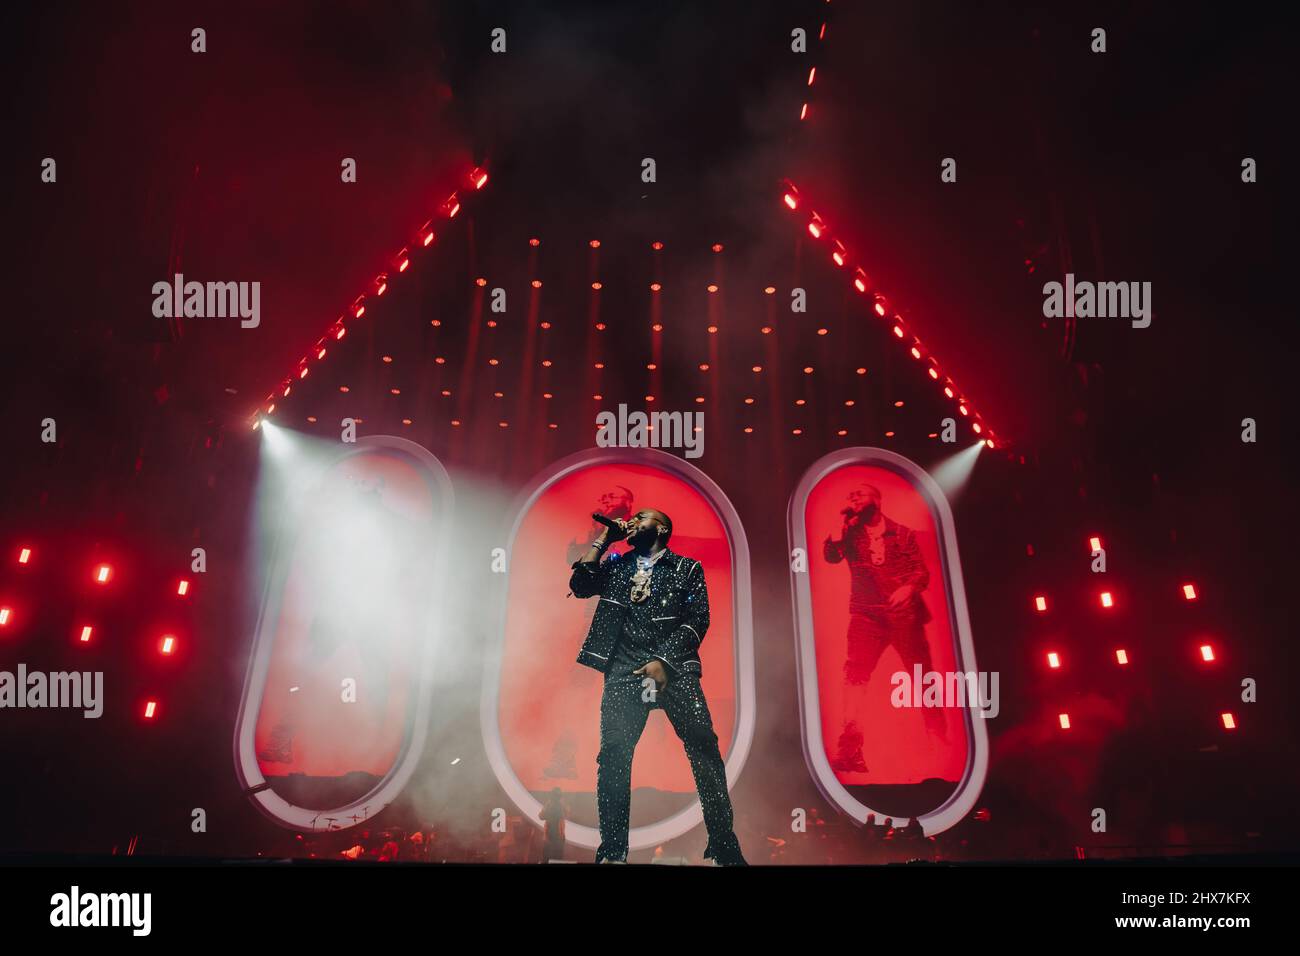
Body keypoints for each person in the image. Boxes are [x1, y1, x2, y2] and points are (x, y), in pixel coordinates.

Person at [568, 509, 746, 866]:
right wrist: (605, 540)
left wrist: (664, 660)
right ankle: (613, 852)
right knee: (614, 757)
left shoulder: (687, 568)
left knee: (703, 749)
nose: (632, 521)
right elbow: (581, 585)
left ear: (661, 529)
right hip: (623, 672)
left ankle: (724, 847)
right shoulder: (618, 564)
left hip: (674, 670)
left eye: (641, 518)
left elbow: (699, 619)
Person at [823, 484, 945, 774]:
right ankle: (850, 751)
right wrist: (838, 531)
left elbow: (921, 571)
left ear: (876, 501)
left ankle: (937, 737)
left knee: (922, 677)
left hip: (904, 617)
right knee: (854, 677)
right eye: (850, 495)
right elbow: (831, 557)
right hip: (866, 616)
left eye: (859, 495)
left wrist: (908, 588)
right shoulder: (849, 533)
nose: (853, 498)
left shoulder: (902, 533)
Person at [539, 787, 568, 862]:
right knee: (556, 858)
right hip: (555, 835)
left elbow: (541, 816)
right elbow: (541, 816)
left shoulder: (551, 805)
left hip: (552, 835)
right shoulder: (559, 806)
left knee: (547, 858)